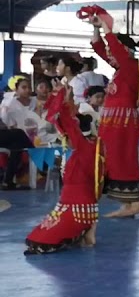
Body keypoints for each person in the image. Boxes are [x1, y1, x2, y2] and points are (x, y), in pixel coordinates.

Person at [24, 86, 102, 255]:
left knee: (42, 237)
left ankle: (84, 234)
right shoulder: (94, 146)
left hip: (75, 204)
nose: (65, 137)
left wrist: (65, 100)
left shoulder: (82, 146)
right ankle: (88, 234)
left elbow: (67, 123)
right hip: (86, 203)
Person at [86, 10, 139, 218]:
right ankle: (128, 204)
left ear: (125, 51)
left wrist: (106, 27)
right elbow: (100, 48)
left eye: (114, 52)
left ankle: (135, 202)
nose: (109, 57)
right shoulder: (121, 70)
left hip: (123, 124)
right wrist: (96, 27)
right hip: (114, 124)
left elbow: (113, 50)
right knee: (112, 159)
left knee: (123, 159)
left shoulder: (130, 66)